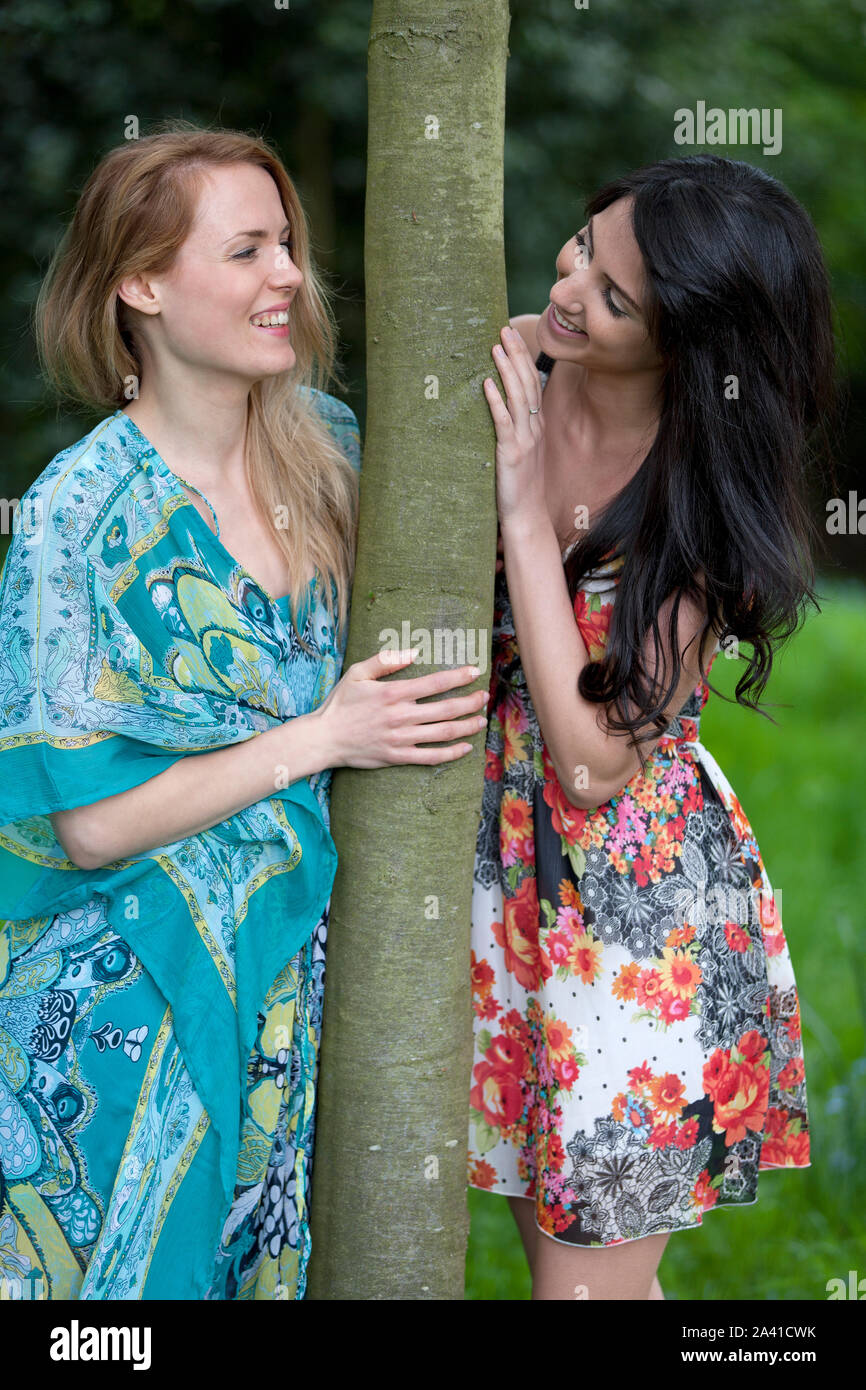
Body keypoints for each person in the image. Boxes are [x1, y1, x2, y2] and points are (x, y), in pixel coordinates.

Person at [0, 122, 487, 1301]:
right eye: (246, 251)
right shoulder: (80, 515)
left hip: (286, 990)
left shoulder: (327, 457)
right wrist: (320, 738)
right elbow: (93, 824)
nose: (287, 277)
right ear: (143, 285)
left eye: (287, 246)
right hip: (113, 1008)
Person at [468, 154, 837, 1300]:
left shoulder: (697, 489)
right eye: (583, 245)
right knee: (569, 1272)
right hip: (493, 873)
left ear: (690, 341)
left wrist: (522, 505)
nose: (570, 288)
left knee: (585, 1291)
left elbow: (589, 763)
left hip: (631, 912)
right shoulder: (517, 360)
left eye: (616, 297)